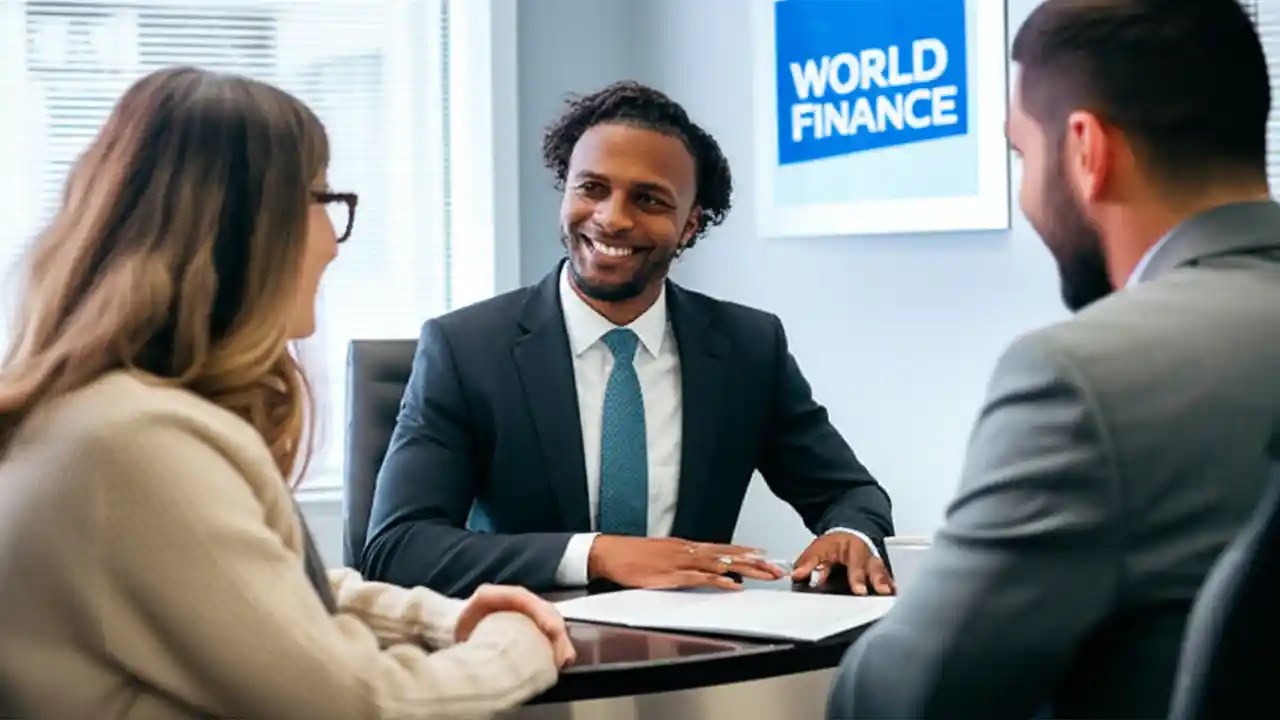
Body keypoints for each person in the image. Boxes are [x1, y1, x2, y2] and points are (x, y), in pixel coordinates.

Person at [0, 67, 573, 720]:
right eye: (323, 200)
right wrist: (515, 647)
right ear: (242, 226)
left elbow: (255, 590)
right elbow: (360, 703)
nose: (333, 242)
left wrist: (442, 617)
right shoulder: (131, 446)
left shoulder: (89, 419)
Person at [828, 1, 1280, 718]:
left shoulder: (1085, 377)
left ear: (1085, 150)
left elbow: (906, 699)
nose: (1026, 188)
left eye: (1020, 154)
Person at [362, 81, 895, 598]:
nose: (612, 219)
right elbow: (398, 546)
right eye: (591, 188)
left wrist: (849, 535)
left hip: (697, 656)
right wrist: (596, 553)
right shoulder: (466, 349)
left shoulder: (748, 347)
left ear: (690, 225)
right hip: (527, 654)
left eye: (649, 200)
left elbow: (850, 492)